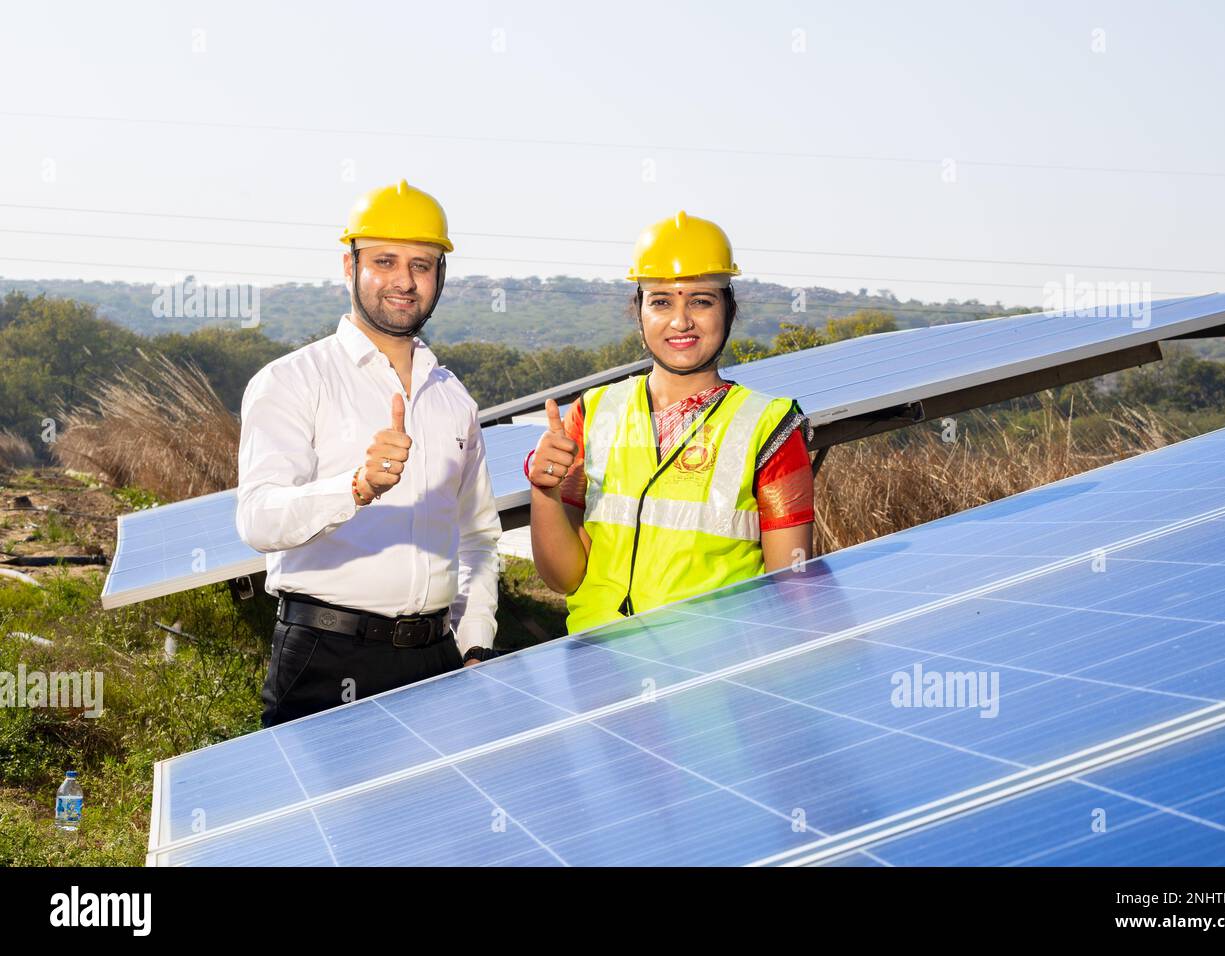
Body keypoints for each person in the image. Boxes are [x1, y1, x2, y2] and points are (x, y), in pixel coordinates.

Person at [235, 179, 501, 728]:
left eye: (422, 265)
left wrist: (474, 643)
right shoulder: (290, 381)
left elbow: (477, 538)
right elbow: (258, 520)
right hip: (326, 659)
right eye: (385, 260)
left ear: (440, 276)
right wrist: (355, 488)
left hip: (438, 660)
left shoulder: (454, 398)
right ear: (349, 266)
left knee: (432, 817)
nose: (404, 281)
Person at [526, 210, 814, 635]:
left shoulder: (771, 428)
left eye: (701, 300)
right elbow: (563, 579)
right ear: (639, 310)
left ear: (728, 310)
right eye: (661, 301)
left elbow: (792, 591)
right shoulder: (594, 411)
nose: (681, 321)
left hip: (709, 683)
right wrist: (545, 494)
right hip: (600, 669)